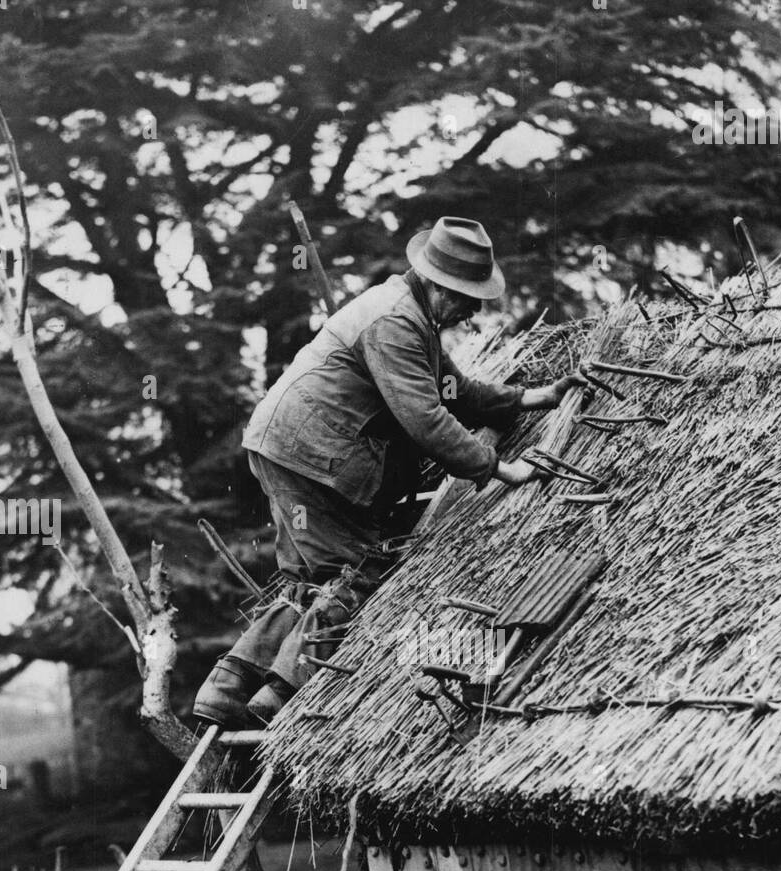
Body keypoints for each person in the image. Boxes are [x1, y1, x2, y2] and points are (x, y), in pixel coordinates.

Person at [193, 215, 583, 727]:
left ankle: (228, 688)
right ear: (439, 285)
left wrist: (534, 397)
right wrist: (497, 469)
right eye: (468, 298)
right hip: (312, 455)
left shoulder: (408, 314)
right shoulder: (396, 323)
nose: (472, 311)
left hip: (285, 448)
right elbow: (424, 417)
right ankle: (280, 696)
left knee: (304, 579)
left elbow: (455, 393)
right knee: (359, 570)